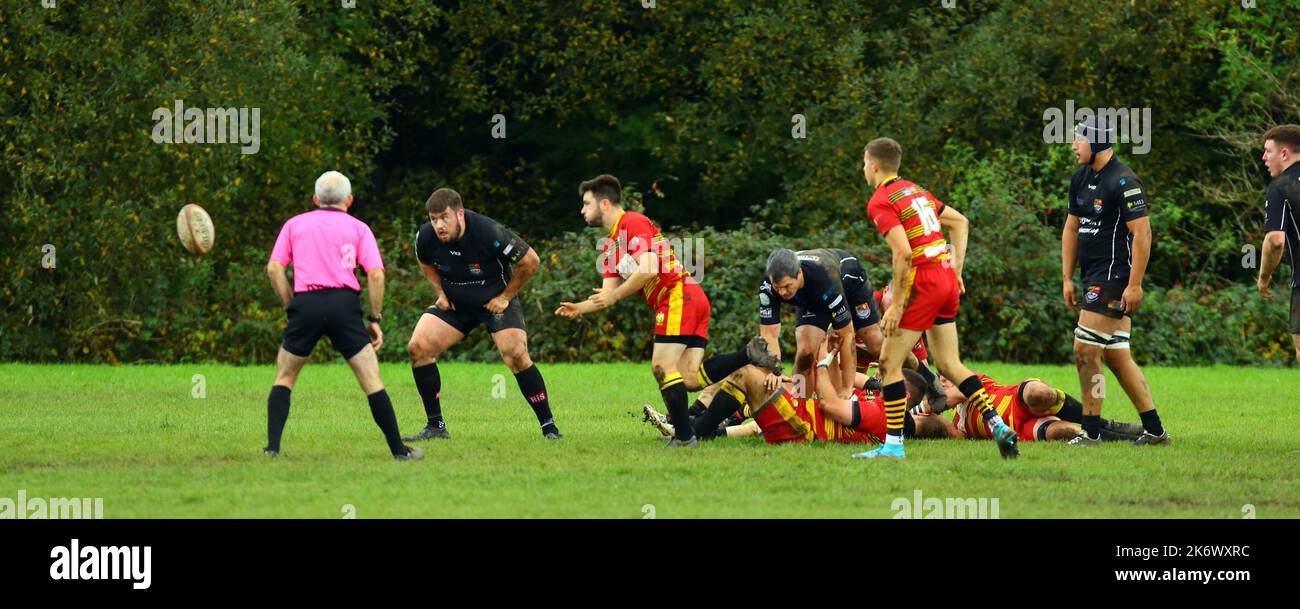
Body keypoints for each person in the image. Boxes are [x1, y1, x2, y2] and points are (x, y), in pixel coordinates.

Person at [556, 174, 779, 447]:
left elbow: (648, 268)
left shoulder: (631, 222)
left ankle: (685, 437)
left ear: (604, 204)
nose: (582, 210)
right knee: (689, 377)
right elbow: (607, 294)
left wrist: (614, 297)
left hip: (677, 295)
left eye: (586, 203)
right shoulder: (611, 245)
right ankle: (749, 354)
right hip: (689, 296)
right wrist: (579, 308)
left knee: (662, 366)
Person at [855, 137, 1018, 459]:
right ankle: (998, 425)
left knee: (888, 364)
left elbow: (903, 254)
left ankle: (893, 447)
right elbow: (959, 222)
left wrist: (898, 304)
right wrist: (956, 269)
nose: (863, 168)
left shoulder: (880, 200)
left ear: (873, 165)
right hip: (944, 277)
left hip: (923, 282)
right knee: (949, 364)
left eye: (863, 162)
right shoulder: (916, 191)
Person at [263, 170, 421, 460]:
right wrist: (374, 319)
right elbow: (375, 274)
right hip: (343, 306)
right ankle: (399, 451)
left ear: (315, 199)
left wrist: (292, 305)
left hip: (306, 303)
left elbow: (274, 268)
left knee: (285, 375)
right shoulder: (359, 228)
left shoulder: (295, 224)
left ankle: (272, 449)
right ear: (349, 200)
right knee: (371, 380)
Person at [404, 188, 562, 441]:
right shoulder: (425, 236)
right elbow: (424, 260)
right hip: (456, 304)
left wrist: (505, 297)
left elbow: (531, 261)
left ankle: (549, 427)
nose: (439, 225)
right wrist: (440, 292)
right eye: (434, 219)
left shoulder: (489, 232)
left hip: (494, 302)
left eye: (444, 217)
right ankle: (435, 426)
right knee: (418, 347)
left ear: (460, 214)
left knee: (516, 354)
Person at [1063, 116, 1168, 445]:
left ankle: (1091, 432)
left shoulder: (1124, 181)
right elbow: (1070, 228)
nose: (1072, 146)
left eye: (1078, 139)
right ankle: (1155, 431)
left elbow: (1143, 234)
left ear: (1096, 143)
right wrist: (1066, 277)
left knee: (1084, 350)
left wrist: (1134, 284)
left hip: (1114, 277)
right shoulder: (1080, 178)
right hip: (1090, 276)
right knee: (1116, 355)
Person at [1256, 124, 1300, 363]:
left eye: (1268, 151)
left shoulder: (1280, 187)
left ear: (1284, 154)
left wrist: (1263, 278)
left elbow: (1275, 241)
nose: (1263, 158)